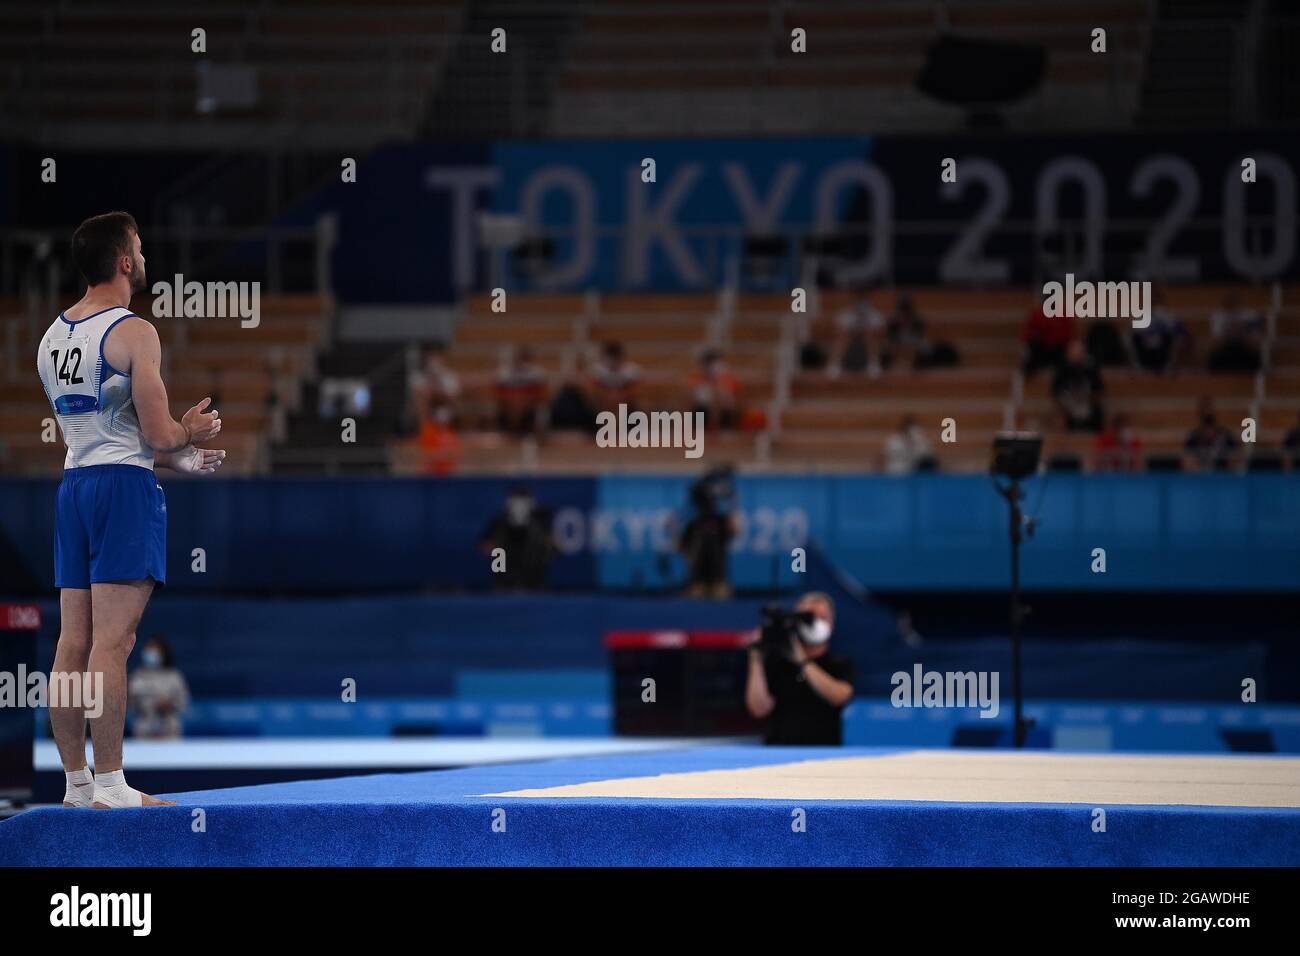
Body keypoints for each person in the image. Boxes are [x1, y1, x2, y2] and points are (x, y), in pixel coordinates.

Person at [38, 211, 225, 809]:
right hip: (122, 492)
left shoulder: (52, 338)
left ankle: (77, 784)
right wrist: (188, 434)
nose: (144, 257)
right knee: (113, 644)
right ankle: (114, 785)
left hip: (75, 489)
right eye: (139, 248)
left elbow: (107, 434)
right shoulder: (135, 332)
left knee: (72, 644)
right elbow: (158, 434)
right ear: (124, 261)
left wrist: (173, 457)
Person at [744, 592, 855, 745]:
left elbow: (839, 697)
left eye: (822, 618)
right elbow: (759, 709)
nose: (815, 623)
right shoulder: (776, 662)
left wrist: (801, 659)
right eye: (809, 617)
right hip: (778, 753)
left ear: (832, 622)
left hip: (825, 754)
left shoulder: (840, 663)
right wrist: (755, 659)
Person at [478, 485, 554, 590]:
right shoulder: (499, 524)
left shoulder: (540, 523)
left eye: (523, 500)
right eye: (516, 500)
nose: (520, 505)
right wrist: (495, 548)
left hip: (533, 579)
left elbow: (554, 547)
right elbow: (485, 546)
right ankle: (504, 583)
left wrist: (546, 544)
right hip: (504, 579)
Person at [128, 637, 190, 739]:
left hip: (170, 729)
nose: (151, 653)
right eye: (149, 649)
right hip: (144, 730)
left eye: (155, 650)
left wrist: (170, 704)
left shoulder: (174, 676)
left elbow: (184, 703)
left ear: (163, 653)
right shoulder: (137, 677)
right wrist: (145, 704)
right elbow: (129, 706)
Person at [1051, 339, 1105, 432]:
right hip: (1067, 406)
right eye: (1074, 354)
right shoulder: (1062, 370)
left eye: (1079, 353)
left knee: (1099, 412)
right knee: (1059, 416)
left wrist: (1088, 399)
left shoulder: (1090, 369)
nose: (1077, 356)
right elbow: (1056, 391)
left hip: (1087, 404)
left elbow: (1098, 389)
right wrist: (1067, 402)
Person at [494, 346, 548, 436]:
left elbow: (542, 395)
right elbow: (499, 395)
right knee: (506, 410)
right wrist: (513, 403)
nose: (522, 362)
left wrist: (525, 403)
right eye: (520, 358)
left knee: (541, 410)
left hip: (530, 408)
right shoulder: (504, 373)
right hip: (509, 407)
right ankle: (507, 432)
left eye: (524, 359)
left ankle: (535, 432)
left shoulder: (537, 374)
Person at [831, 290, 886, 378]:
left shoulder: (875, 315)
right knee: (843, 338)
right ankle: (835, 365)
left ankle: (873, 365)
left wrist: (865, 333)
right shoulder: (845, 314)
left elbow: (881, 333)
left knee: (870, 337)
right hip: (849, 346)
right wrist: (853, 333)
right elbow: (837, 332)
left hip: (867, 346)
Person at [1207, 290, 1264, 373]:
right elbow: (1216, 341)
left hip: (1245, 349)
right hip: (1225, 349)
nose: (1231, 304)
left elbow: (1255, 342)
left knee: (1254, 354)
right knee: (1214, 355)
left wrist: (1241, 332)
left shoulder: (1250, 315)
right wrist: (1229, 333)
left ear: (1238, 302)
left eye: (1233, 301)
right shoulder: (1218, 316)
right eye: (1228, 302)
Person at [1022, 299, 1075, 377]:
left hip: (1058, 350)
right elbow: (1029, 335)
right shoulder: (1037, 315)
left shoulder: (1063, 315)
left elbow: (1067, 336)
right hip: (1040, 349)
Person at [689, 348, 739, 430]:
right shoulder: (698, 379)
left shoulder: (726, 378)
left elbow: (730, 397)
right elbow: (691, 396)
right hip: (702, 411)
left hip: (723, 412)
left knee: (718, 403)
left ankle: (721, 429)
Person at [1184, 398, 1238, 471]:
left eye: (1210, 414)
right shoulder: (1193, 437)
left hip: (1223, 477)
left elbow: (1235, 460)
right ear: (1199, 414)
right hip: (1200, 478)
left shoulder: (1225, 435)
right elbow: (1187, 463)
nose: (1207, 413)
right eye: (1204, 414)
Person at [588, 341, 641, 412]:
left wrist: (622, 395)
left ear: (622, 357)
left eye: (616, 358)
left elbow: (638, 388)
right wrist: (607, 395)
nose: (613, 362)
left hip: (626, 402)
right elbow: (593, 388)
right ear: (603, 357)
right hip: (603, 401)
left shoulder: (631, 370)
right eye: (610, 358)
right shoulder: (597, 370)